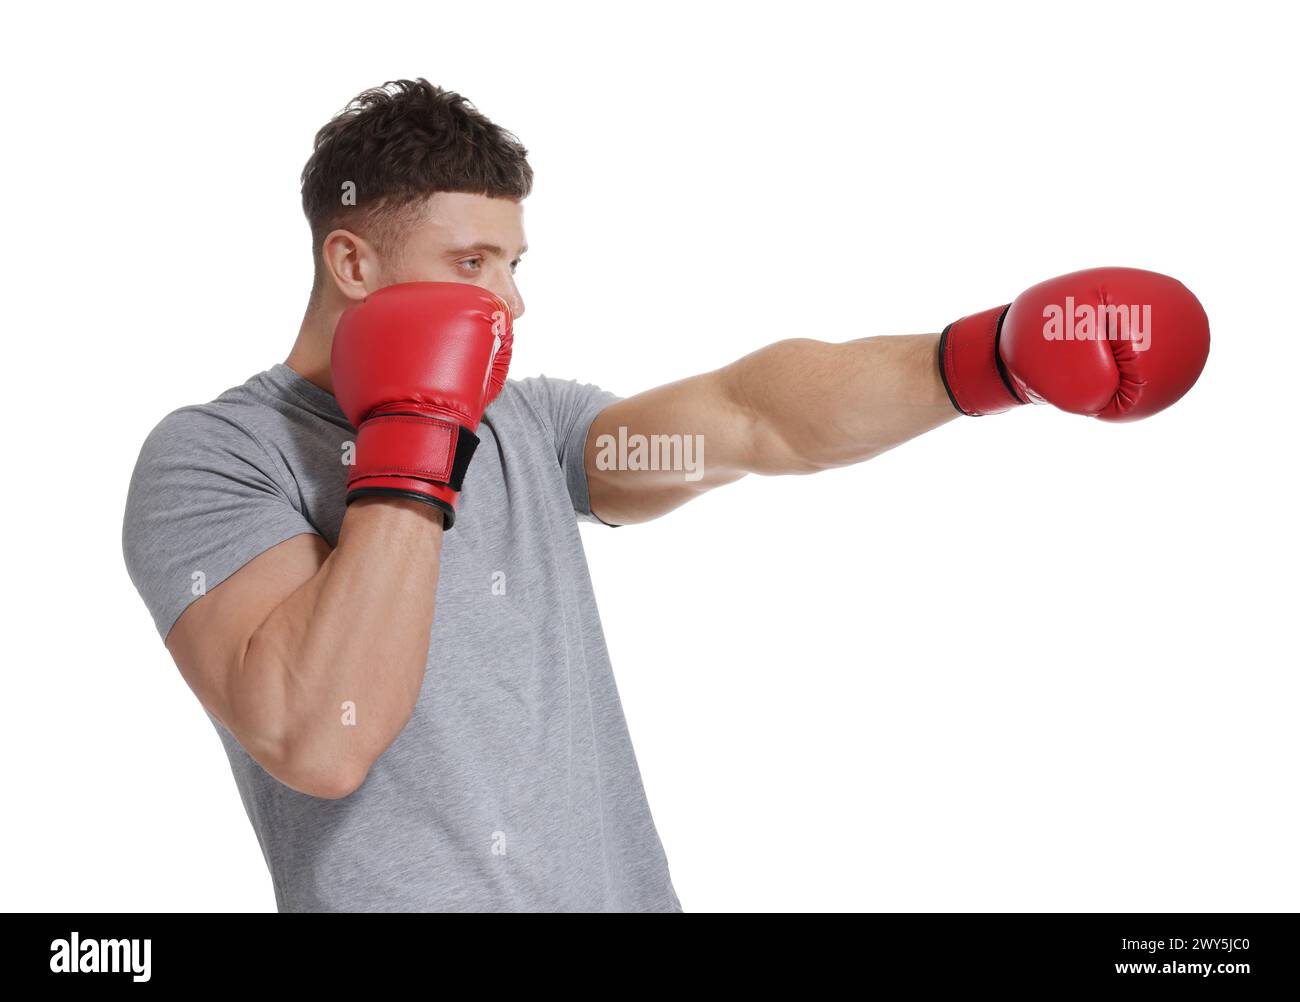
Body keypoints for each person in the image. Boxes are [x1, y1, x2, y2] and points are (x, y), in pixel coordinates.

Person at [122, 78, 1209, 912]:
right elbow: (320, 736)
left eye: (514, 262)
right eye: (472, 263)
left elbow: (754, 418)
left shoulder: (532, 432)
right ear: (351, 263)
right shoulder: (216, 458)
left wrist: (981, 361)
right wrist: (410, 436)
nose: (510, 299)